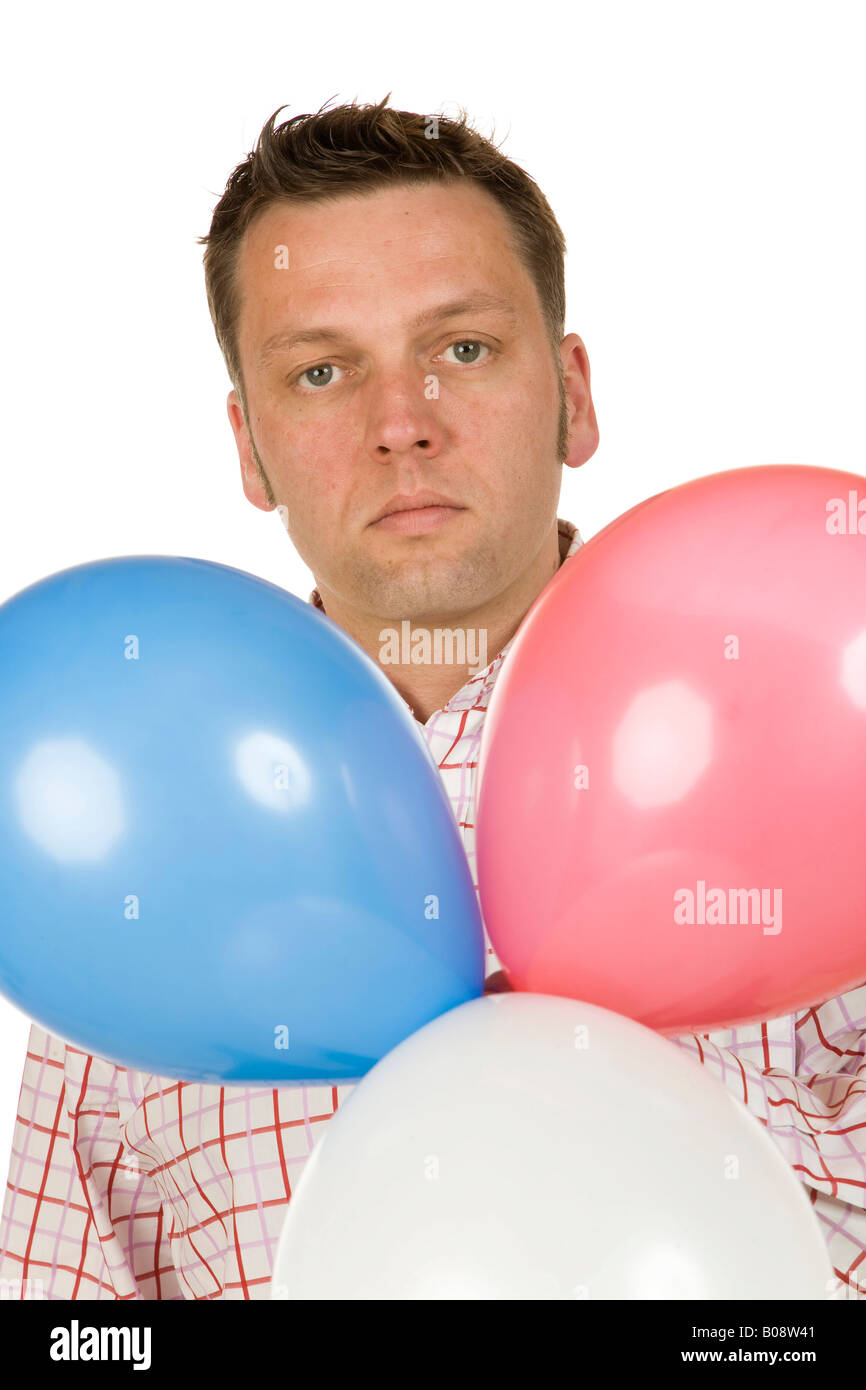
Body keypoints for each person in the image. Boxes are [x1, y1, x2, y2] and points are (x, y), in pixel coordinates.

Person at [1, 95, 863, 1300]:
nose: (400, 425)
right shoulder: (129, 860)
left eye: (462, 348)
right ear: (249, 448)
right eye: (321, 371)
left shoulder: (823, 749)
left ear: (574, 391)